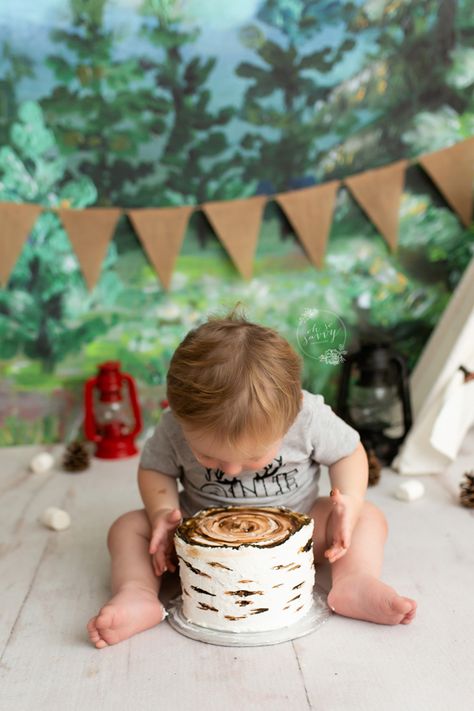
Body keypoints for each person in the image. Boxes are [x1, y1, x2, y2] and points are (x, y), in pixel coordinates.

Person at [87, 308, 417, 648]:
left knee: (369, 518)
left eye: (253, 458)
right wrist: (161, 514)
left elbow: (349, 452)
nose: (229, 469)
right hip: (198, 539)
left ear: (290, 418)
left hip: (298, 532)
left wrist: (349, 499)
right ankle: (138, 593)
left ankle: (354, 582)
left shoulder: (307, 416)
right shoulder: (175, 427)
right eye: (209, 457)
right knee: (128, 529)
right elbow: (155, 469)